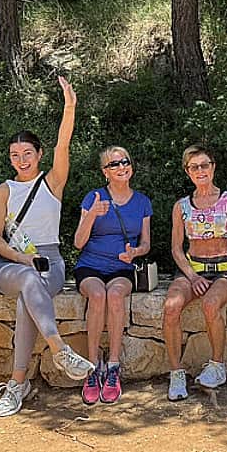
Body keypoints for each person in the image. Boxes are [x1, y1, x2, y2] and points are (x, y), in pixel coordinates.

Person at [0, 78, 96, 418]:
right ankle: (59, 348)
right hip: (11, 264)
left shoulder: (52, 183)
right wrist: (22, 258)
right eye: (15, 155)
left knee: (27, 301)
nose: (21, 160)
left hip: (50, 261)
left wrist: (70, 107)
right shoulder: (3, 190)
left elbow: (64, 144)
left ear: (39, 155)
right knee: (26, 281)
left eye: (27, 154)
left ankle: (17, 385)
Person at [163, 145, 227, 401]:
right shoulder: (181, 206)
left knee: (210, 304)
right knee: (171, 306)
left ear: (213, 167)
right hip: (192, 268)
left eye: (205, 165)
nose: (200, 170)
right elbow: (176, 248)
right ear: (187, 172)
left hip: (224, 270)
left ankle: (217, 365)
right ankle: (176, 372)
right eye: (194, 167)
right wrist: (193, 277)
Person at [73, 146, 153, 405]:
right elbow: (78, 242)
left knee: (115, 295)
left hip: (122, 267)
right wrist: (92, 216)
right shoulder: (93, 197)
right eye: (114, 164)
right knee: (97, 295)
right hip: (91, 264)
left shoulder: (142, 201)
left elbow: (146, 244)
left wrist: (135, 252)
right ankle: (93, 366)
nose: (121, 167)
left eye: (125, 162)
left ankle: (114, 365)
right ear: (104, 172)